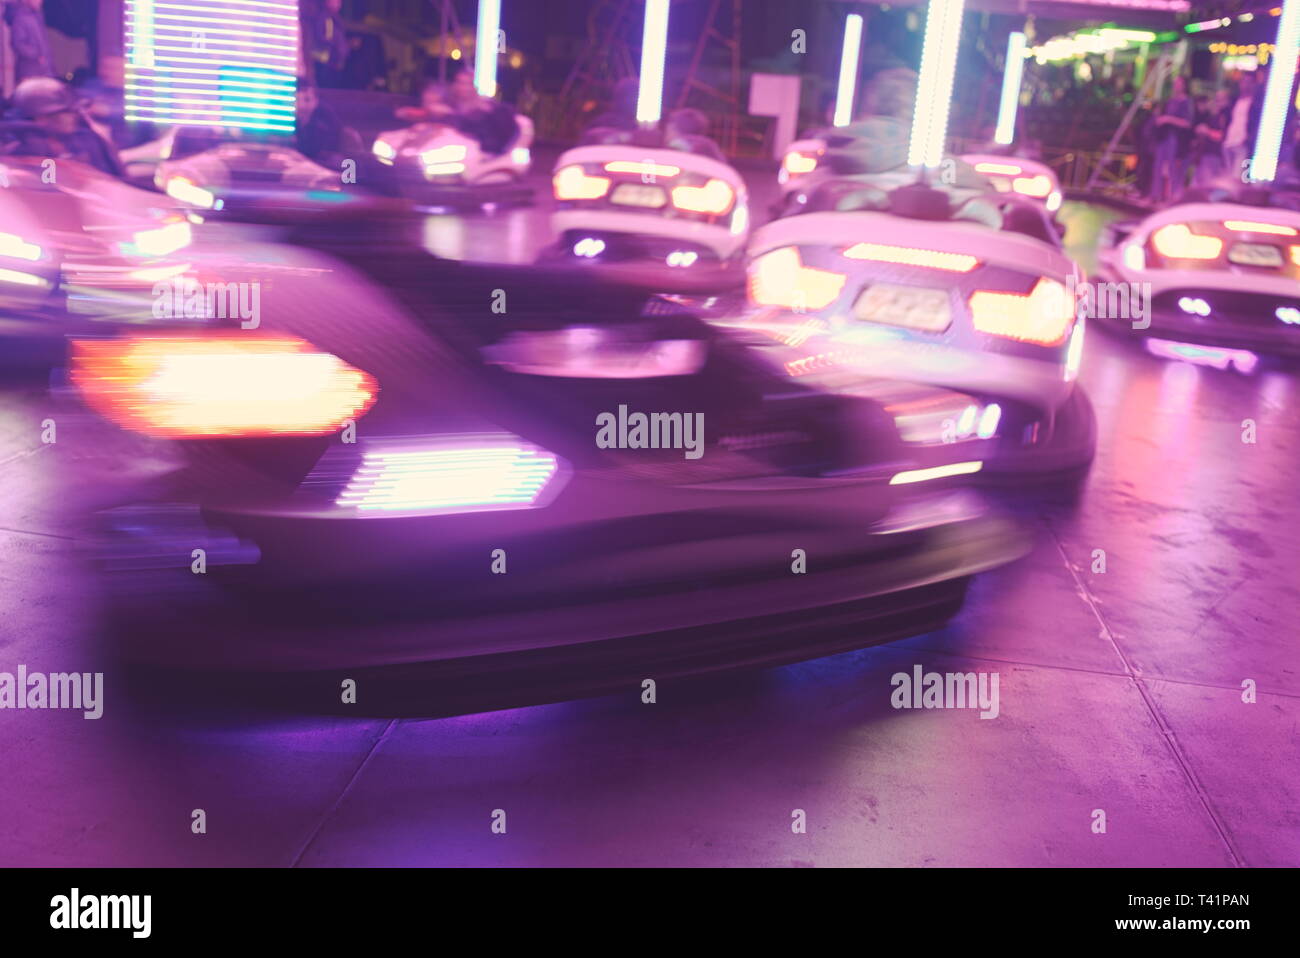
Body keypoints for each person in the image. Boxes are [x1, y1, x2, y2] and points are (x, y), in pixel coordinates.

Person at [0, 77, 123, 176]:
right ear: (41, 118)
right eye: (65, 112)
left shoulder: (84, 141)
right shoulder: (25, 149)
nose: (73, 116)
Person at [1151, 75, 1193, 201]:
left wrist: (1169, 119)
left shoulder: (1186, 102)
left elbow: (1187, 123)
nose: (1176, 85)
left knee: (1172, 167)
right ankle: (1155, 195)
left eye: (1178, 83)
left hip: (1175, 138)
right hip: (1164, 137)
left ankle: (1174, 196)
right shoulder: (1170, 101)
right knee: (1158, 165)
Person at [5, 0, 54, 82]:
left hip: (42, 71)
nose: (40, 1)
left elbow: (42, 43)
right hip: (29, 72)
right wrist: (37, 55)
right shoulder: (20, 17)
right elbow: (17, 43)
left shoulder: (36, 16)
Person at [305, 0, 350, 89]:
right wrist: (331, 43)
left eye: (339, 2)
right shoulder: (320, 16)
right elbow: (319, 35)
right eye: (334, 2)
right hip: (318, 57)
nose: (337, 5)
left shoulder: (334, 19)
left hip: (330, 59)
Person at [1192, 87, 1231, 187]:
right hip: (1204, 154)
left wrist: (1207, 131)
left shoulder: (1225, 116)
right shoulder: (1210, 116)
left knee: (1207, 185)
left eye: (1220, 99)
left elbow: (1221, 136)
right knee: (1200, 183)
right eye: (1216, 98)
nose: (1216, 101)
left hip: (1214, 155)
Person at [1222, 70, 1257, 181]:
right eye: (1243, 82)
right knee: (1227, 176)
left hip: (1242, 143)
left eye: (1248, 82)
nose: (1245, 85)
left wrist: (1247, 138)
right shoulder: (1234, 101)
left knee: (1237, 177)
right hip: (1229, 141)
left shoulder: (1255, 103)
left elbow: (1253, 125)